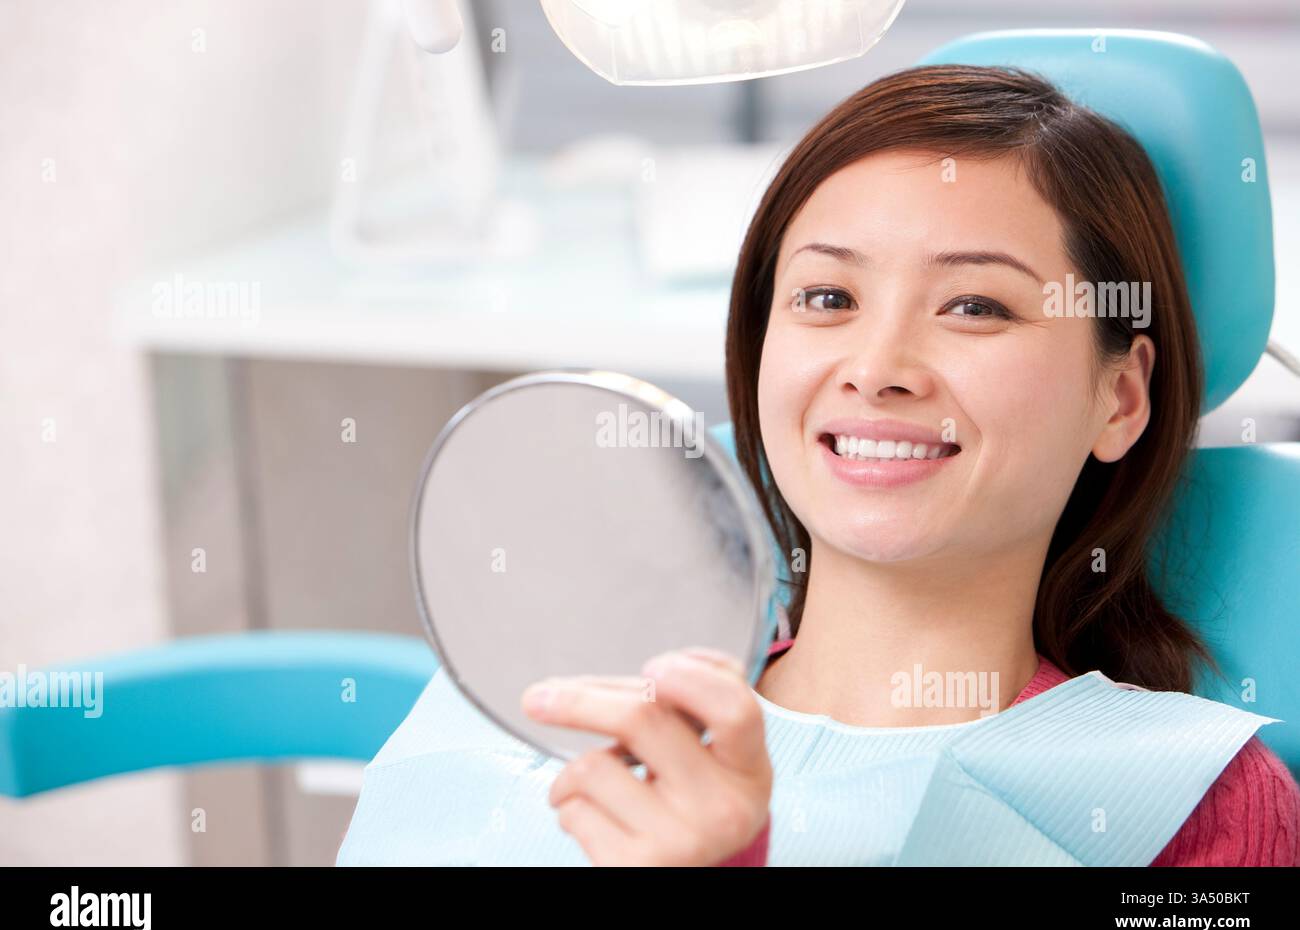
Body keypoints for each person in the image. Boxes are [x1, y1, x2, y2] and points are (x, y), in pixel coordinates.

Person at [337, 65, 1300, 867]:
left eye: (975, 307)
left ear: (1119, 398)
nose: (876, 370)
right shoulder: (560, 709)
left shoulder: (1192, 808)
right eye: (828, 296)